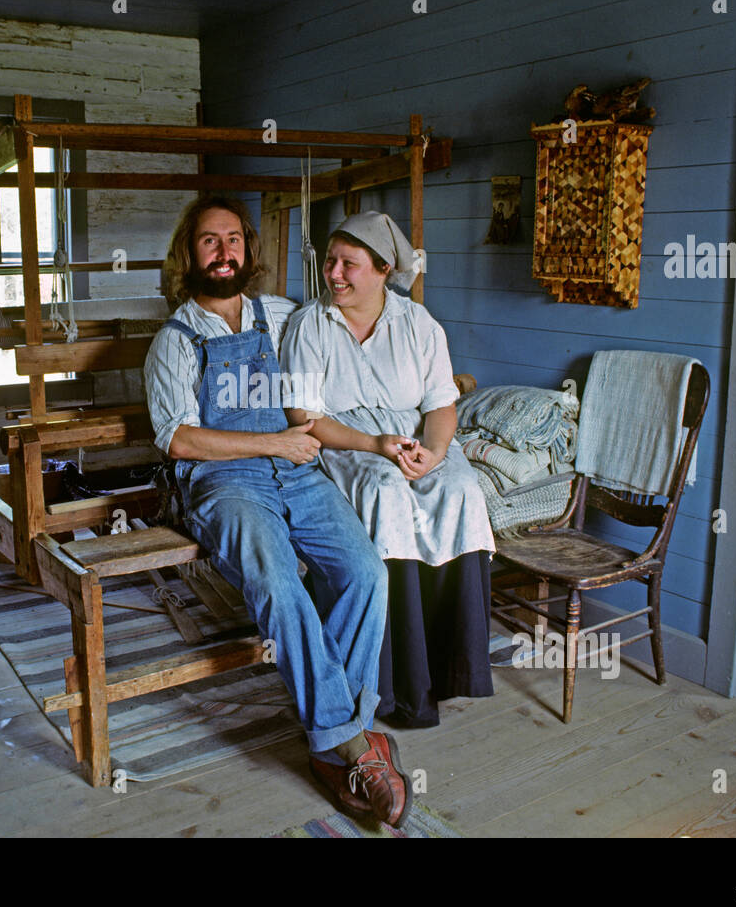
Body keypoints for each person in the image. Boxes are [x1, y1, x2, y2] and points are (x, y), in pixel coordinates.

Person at [143, 194, 411, 826]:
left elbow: (346, 314)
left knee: (365, 572)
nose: (223, 251)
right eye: (209, 241)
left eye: (233, 239)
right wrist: (274, 443)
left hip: (298, 472)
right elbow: (179, 438)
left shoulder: (281, 314)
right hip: (225, 485)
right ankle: (353, 743)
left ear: (248, 250)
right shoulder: (173, 340)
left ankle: (329, 740)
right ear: (190, 253)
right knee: (278, 584)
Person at [281, 211, 497, 728]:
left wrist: (435, 453)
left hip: (411, 437)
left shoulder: (418, 323)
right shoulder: (311, 324)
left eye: (348, 264)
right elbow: (302, 416)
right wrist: (374, 444)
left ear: (382, 270)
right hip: (345, 439)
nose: (333, 273)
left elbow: (442, 405)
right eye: (330, 261)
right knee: (386, 492)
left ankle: (451, 672)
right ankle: (395, 687)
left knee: (463, 489)